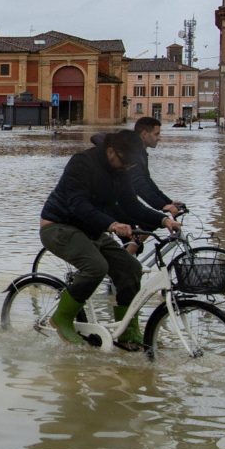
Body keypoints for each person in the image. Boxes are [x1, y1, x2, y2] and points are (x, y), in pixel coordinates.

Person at [38, 129, 168, 346]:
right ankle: (62, 318)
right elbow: (78, 204)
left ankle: (127, 333)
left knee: (131, 268)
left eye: (130, 165)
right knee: (96, 267)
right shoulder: (81, 163)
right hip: (58, 226)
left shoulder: (120, 170)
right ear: (110, 151)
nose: (126, 168)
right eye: (124, 162)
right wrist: (112, 224)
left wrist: (164, 220)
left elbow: (132, 205)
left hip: (91, 230)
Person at [129, 116, 188, 220]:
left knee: (155, 221)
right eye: (156, 134)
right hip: (111, 203)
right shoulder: (132, 153)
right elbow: (138, 184)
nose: (159, 138)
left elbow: (147, 181)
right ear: (144, 134)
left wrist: (168, 202)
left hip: (122, 200)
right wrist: (162, 206)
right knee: (157, 220)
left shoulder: (140, 152)